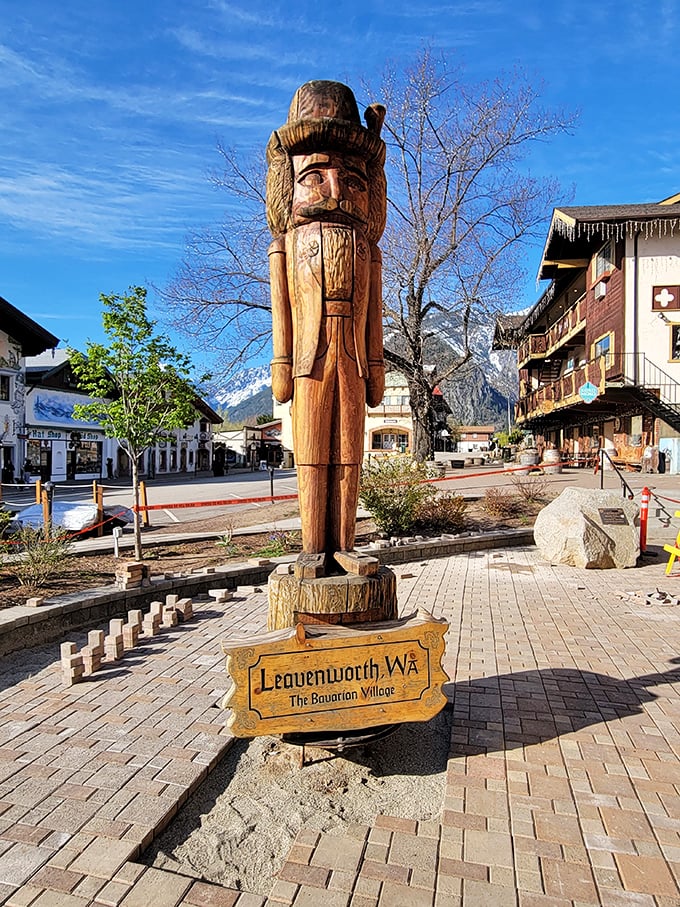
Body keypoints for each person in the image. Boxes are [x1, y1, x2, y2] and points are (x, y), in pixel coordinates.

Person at [266, 81, 387, 560]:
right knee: (313, 452)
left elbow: (375, 309)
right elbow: (282, 305)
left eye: (353, 180)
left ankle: (345, 543)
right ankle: (313, 547)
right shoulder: (287, 243)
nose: (336, 189)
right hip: (308, 357)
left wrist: (376, 363)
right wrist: (280, 358)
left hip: (355, 356)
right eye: (315, 176)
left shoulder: (368, 249)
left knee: (349, 453)